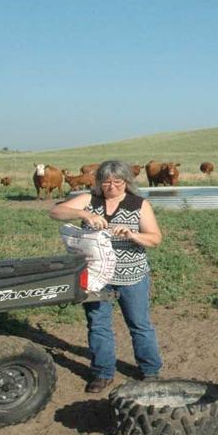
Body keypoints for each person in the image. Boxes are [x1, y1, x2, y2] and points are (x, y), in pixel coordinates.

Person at [49, 160, 163, 392]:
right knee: (98, 324)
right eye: (106, 182)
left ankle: (150, 370)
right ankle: (102, 372)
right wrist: (83, 214)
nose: (112, 186)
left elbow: (155, 238)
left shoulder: (139, 204)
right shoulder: (90, 200)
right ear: (99, 182)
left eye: (117, 181)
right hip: (96, 276)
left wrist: (132, 234)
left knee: (139, 324)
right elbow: (55, 211)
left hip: (132, 276)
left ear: (127, 182)